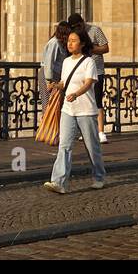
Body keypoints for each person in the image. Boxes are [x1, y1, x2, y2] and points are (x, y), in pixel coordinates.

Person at [43, 28, 106, 193]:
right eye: (69, 40)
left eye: (74, 40)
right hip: (68, 110)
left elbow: (88, 82)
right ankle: (59, 182)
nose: (70, 43)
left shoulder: (88, 62)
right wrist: (56, 85)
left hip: (86, 109)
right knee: (64, 145)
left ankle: (99, 176)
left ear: (82, 43)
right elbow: (65, 82)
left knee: (92, 147)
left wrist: (76, 94)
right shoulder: (66, 62)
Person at [68, 12, 111, 142]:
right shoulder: (75, 35)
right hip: (81, 72)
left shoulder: (95, 30)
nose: (77, 29)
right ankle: (86, 131)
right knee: (83, 103)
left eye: (78, 26)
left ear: (82, 22)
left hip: (96, 71)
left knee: (97, 102)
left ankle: (101, 132)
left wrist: (90, 49)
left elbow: (105, 48)